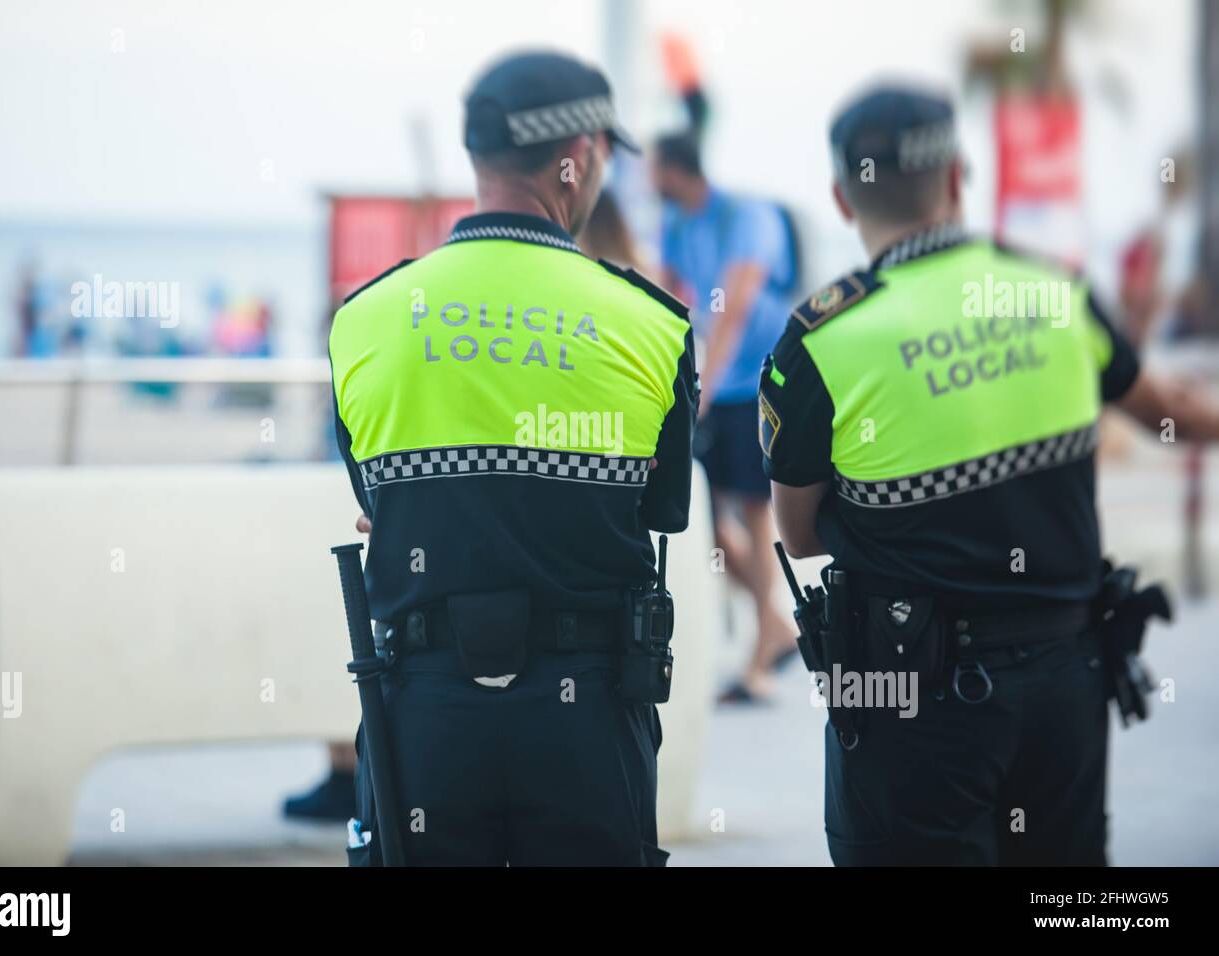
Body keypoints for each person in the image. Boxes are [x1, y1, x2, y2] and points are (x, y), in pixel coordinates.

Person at [761, 84, 1219, 866]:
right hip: (1066, 683)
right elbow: (1172, 412)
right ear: (958, 176)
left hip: (906, 698)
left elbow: (798, 539)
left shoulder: (821, 339)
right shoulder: (1055, 293)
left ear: (842, 197)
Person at [327, 50, 697, 866]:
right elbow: (665, 511)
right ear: (584, 154)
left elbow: (378, 500)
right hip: (589, 717)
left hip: (420, 717)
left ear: (475, 155)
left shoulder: (365, 317)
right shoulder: (653, 324)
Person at [653, 132, 797, 704]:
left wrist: (701, 391)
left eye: (654, 169)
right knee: (706, 518)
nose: (647, 184)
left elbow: (734, 307)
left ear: (676, 169)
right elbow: (665, 293)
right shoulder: (677, 223)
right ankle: (775, 626)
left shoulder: (746, 216)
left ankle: (764, 647)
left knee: (756, 513)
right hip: (717, 383)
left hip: (760, 376)